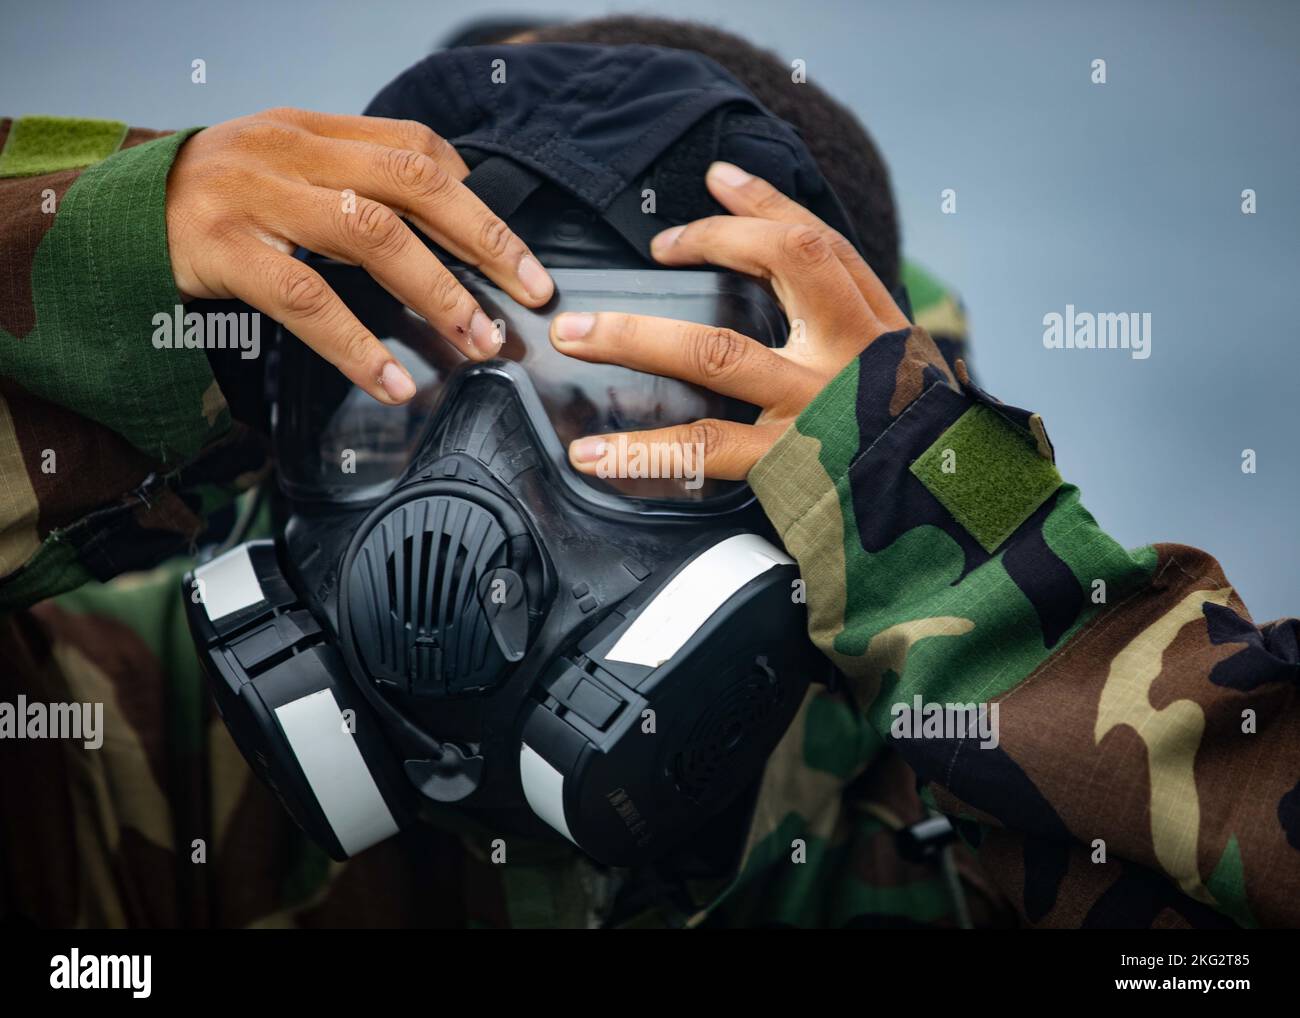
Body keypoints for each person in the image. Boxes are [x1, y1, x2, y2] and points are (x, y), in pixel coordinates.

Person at [1, 16, 1292, 930]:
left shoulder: (961, 805)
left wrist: (975, 566)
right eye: (386, 382)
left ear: (818, 468)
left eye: (610, 400)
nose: (466, 497)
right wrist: (91, 267)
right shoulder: (134, 732)